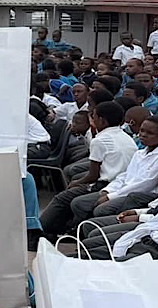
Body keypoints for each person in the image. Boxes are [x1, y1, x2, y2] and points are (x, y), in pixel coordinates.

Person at [41, 102, 135, 238]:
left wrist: (76, 182)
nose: (92, 120)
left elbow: (93, 175)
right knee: (73, 186)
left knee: (63, 197)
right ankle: (65, 227)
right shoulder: (125, 137)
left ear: (101, 120)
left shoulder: (100, 140)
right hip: (120, 180)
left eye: (94, 117)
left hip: (108, 184)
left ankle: (44, 230)